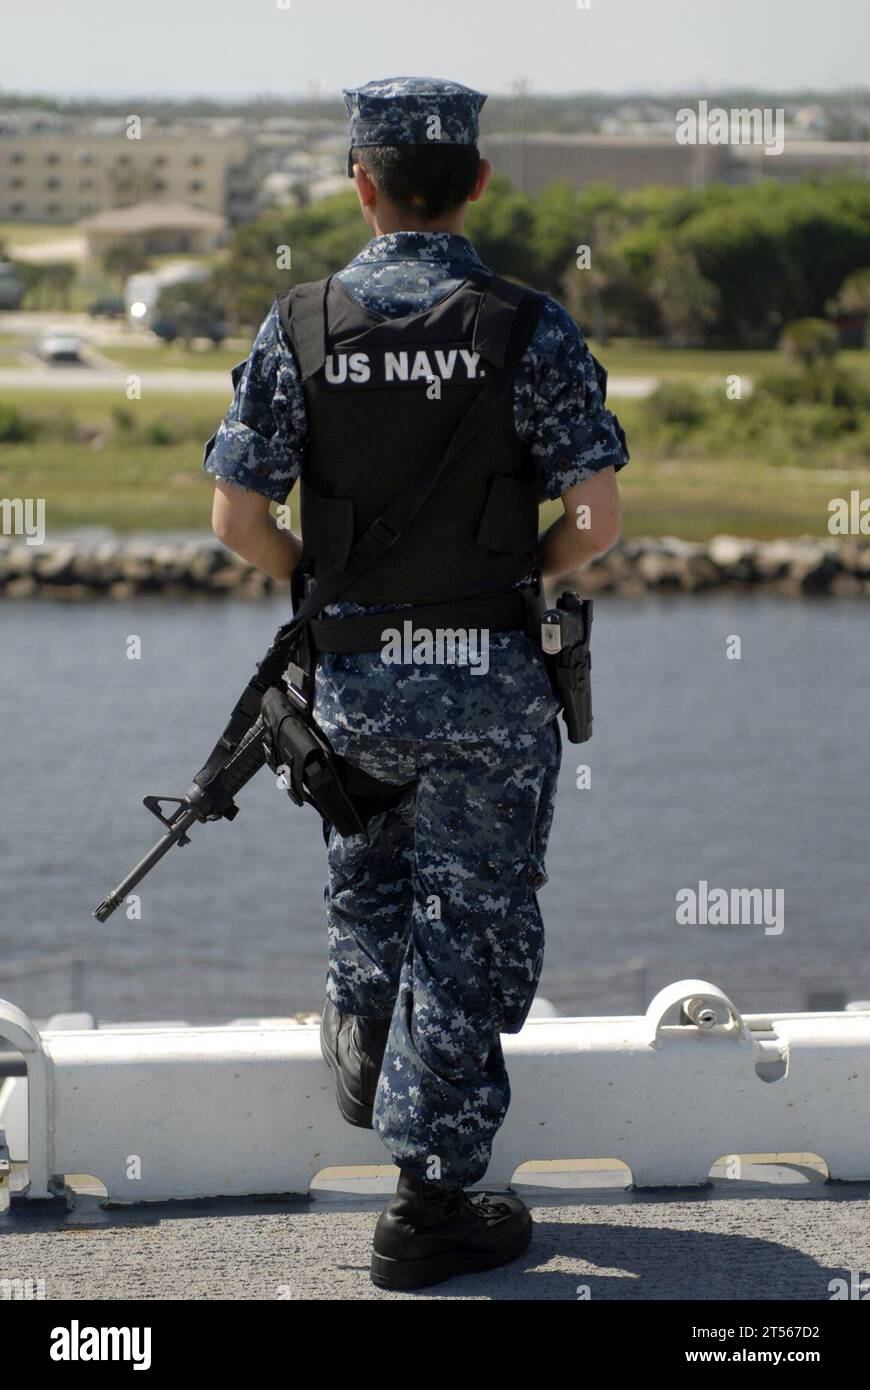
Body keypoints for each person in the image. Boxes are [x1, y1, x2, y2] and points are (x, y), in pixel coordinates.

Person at [202, 75, 629, 1291]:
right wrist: (525, 572)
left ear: (362, 183)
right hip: (490, 685)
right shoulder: (528, 324)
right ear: (477, 183)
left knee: (372, 872)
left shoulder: (301, 323)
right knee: (469, 915)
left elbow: (237, 518)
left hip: (355, 686)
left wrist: (316, 582)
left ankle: (366, 1048)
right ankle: (429, 1203)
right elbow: (595, 513)